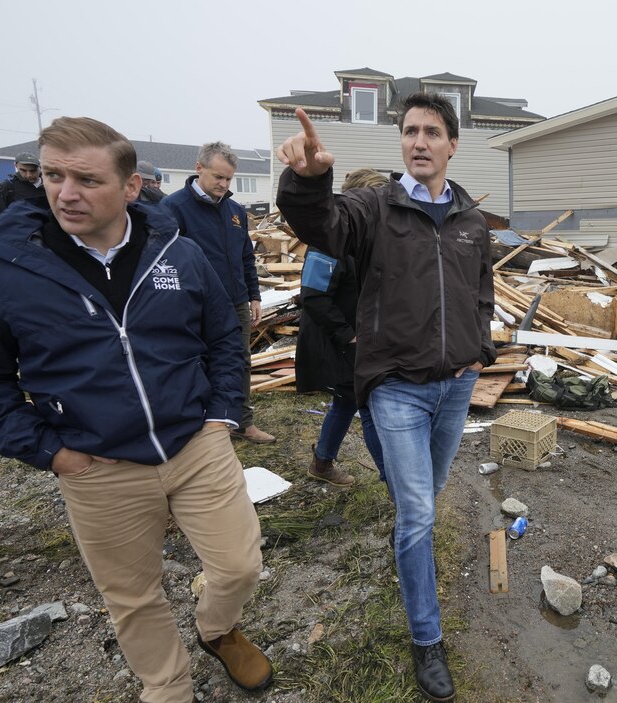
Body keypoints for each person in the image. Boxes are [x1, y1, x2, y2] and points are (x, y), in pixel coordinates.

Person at [0, 116, 272, 703]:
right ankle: (167, 685)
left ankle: (218, 629)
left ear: (130, 186)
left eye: (88, 180)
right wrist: (49, 451)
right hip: (97, 463)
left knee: (240, 566)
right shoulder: (2, 269)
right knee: (133, 595)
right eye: (54, 176)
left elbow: (223, 336)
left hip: (194, 443)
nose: (66, 193)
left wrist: (224, 412)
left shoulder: (177, 252)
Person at [277, 93, 494, 702]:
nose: (419, 141)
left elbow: (481, 291)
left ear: (453, 145)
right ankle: (427, 639)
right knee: (418, 511)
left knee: (426, 493)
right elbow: (321, 224)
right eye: (410, 131)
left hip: (456, 386)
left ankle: (408, 548)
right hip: (397, 388)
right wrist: (308, 181)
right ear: (401, 142)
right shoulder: (375, 207)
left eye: (432, 132)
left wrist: (480, 349)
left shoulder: (472, 221)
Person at [162, 142, 274, 444]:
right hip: (195, 305)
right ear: (199, 168)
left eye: (229, 179)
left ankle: (242, 422)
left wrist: (254, 295)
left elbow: (246, 257)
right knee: (198, 363)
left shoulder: (235, 211)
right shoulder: (174, 209)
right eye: (218, 177)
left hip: (235, 301)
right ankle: (202, 427)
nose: (224, 185)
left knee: (239, 361)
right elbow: (164, 261)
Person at [295, 168, 390, 487]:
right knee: (369, 405)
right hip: (338, 340)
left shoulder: (372, 237)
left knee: (347, 400)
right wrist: (348, 336)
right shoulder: (328, 242)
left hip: (360, 337)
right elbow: (313, 296)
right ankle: (396, 485)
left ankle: (322, 462)